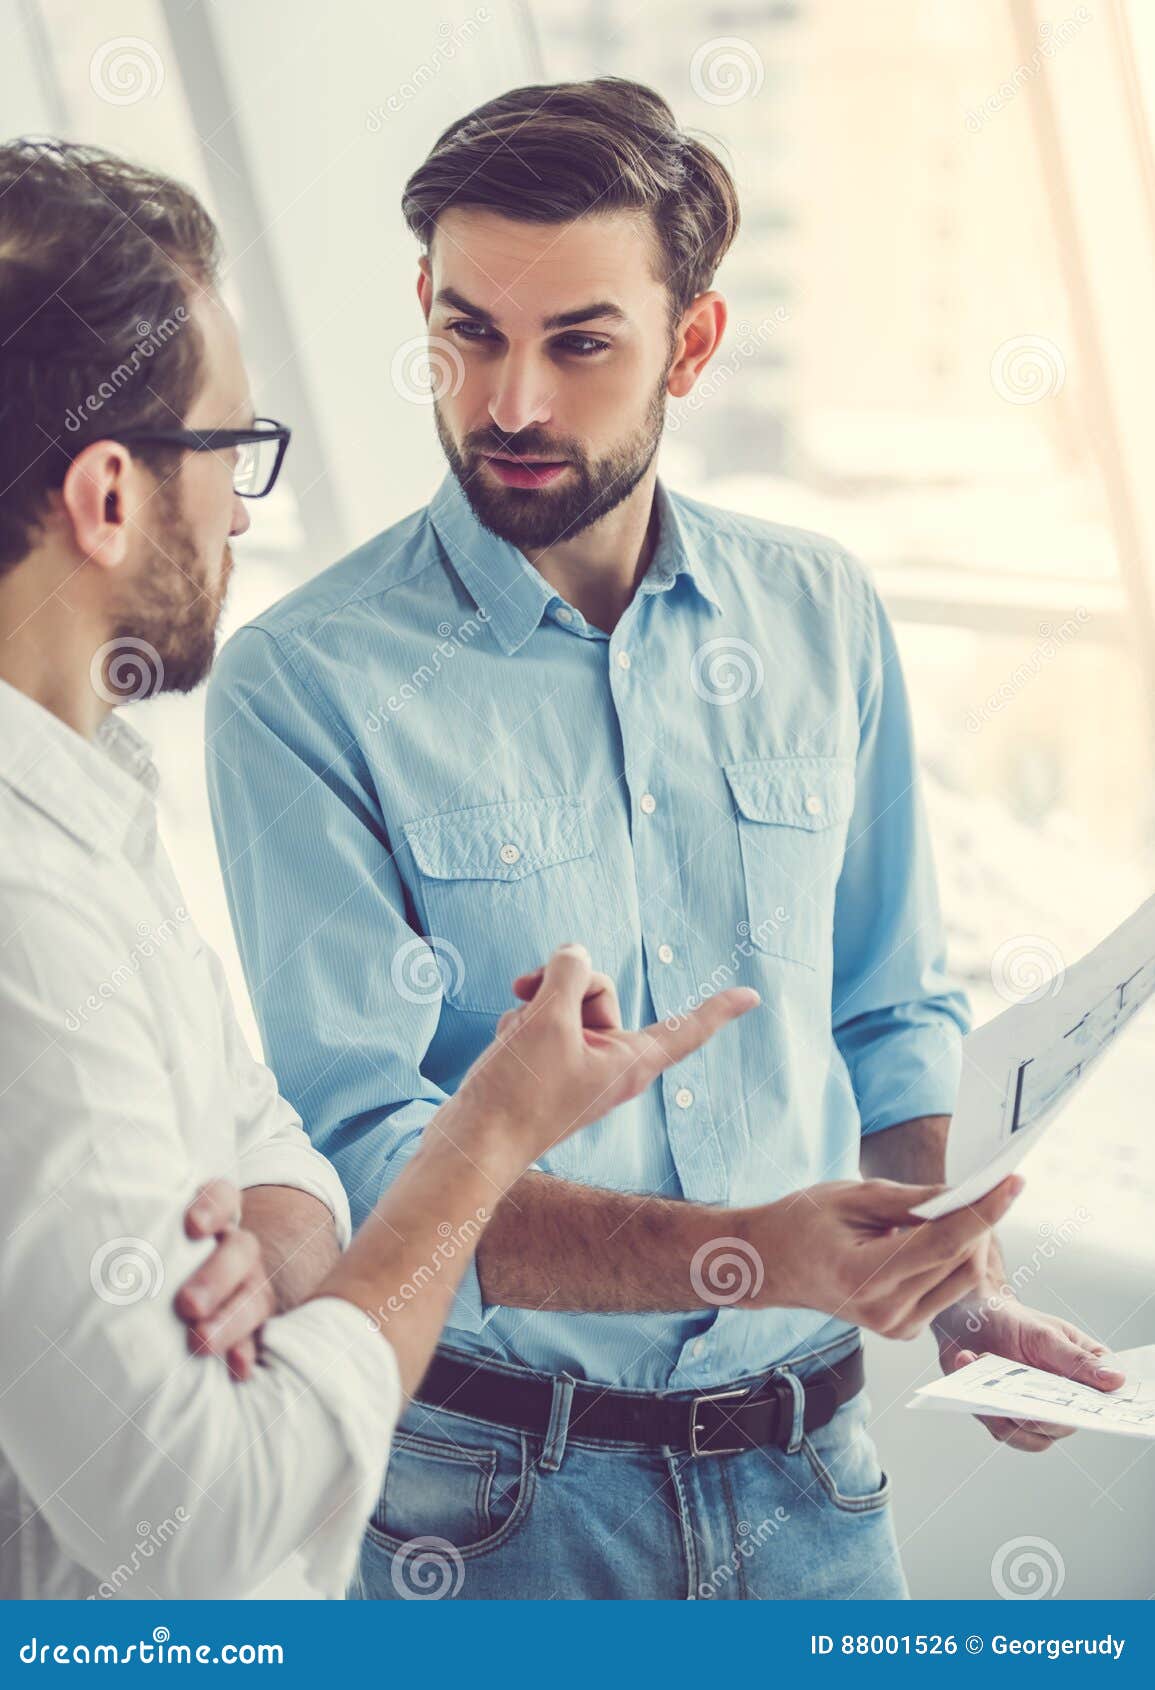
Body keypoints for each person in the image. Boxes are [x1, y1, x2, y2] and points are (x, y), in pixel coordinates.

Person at [205, 78, 1124, 1603]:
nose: (509, 402)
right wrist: (757, 1247)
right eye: (470, 332)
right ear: (423, 310)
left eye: (581, 343)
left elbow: (890, 1016)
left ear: (691, 345)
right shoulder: (304, 684)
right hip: (491, 1506)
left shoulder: (823, 613)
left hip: (820, 1485)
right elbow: (373, 1162)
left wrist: (961, 1283)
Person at [0, 135, 760, 1601]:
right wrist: (488, 1136)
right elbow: (216, 1524)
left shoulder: (92, 800)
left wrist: (280, 1246)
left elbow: (277, 1155)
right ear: (107, 497)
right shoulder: (24, 917)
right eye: (227, 452)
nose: (241, 509)